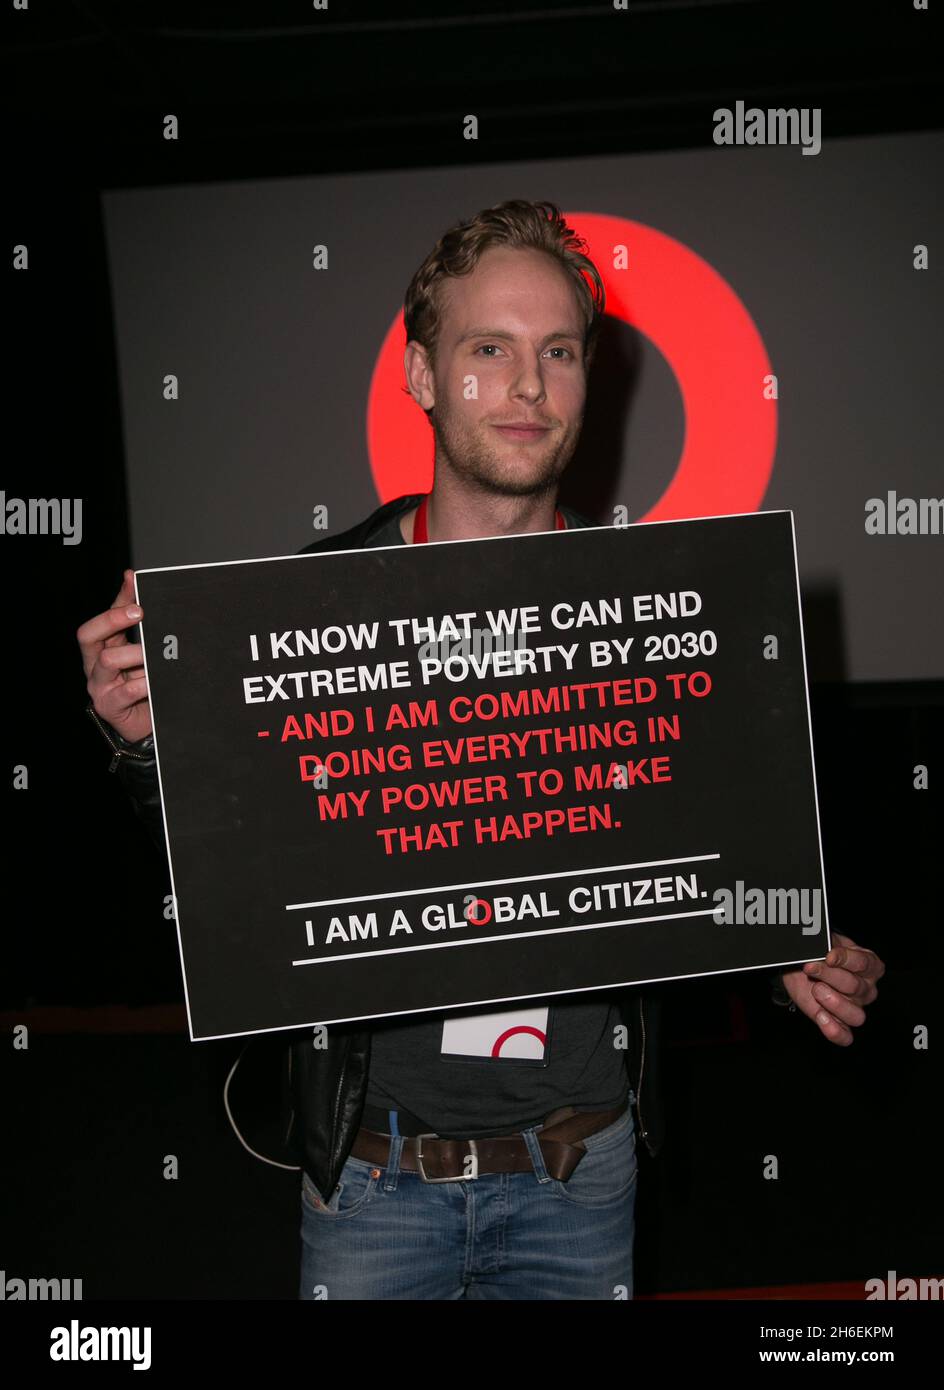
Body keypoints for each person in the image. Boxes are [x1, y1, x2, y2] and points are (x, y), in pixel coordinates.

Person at [77, 200, 885, 1300]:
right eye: (487, 349)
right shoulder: (303, 609)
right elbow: (238, 874)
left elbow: (673, 852)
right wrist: (142, 750)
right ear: (420, 377)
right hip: (369, 1184)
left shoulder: (658, 615)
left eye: (556, 351)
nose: (525, 385)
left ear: (587, 382)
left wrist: (774, 936)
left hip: (580, 1177)